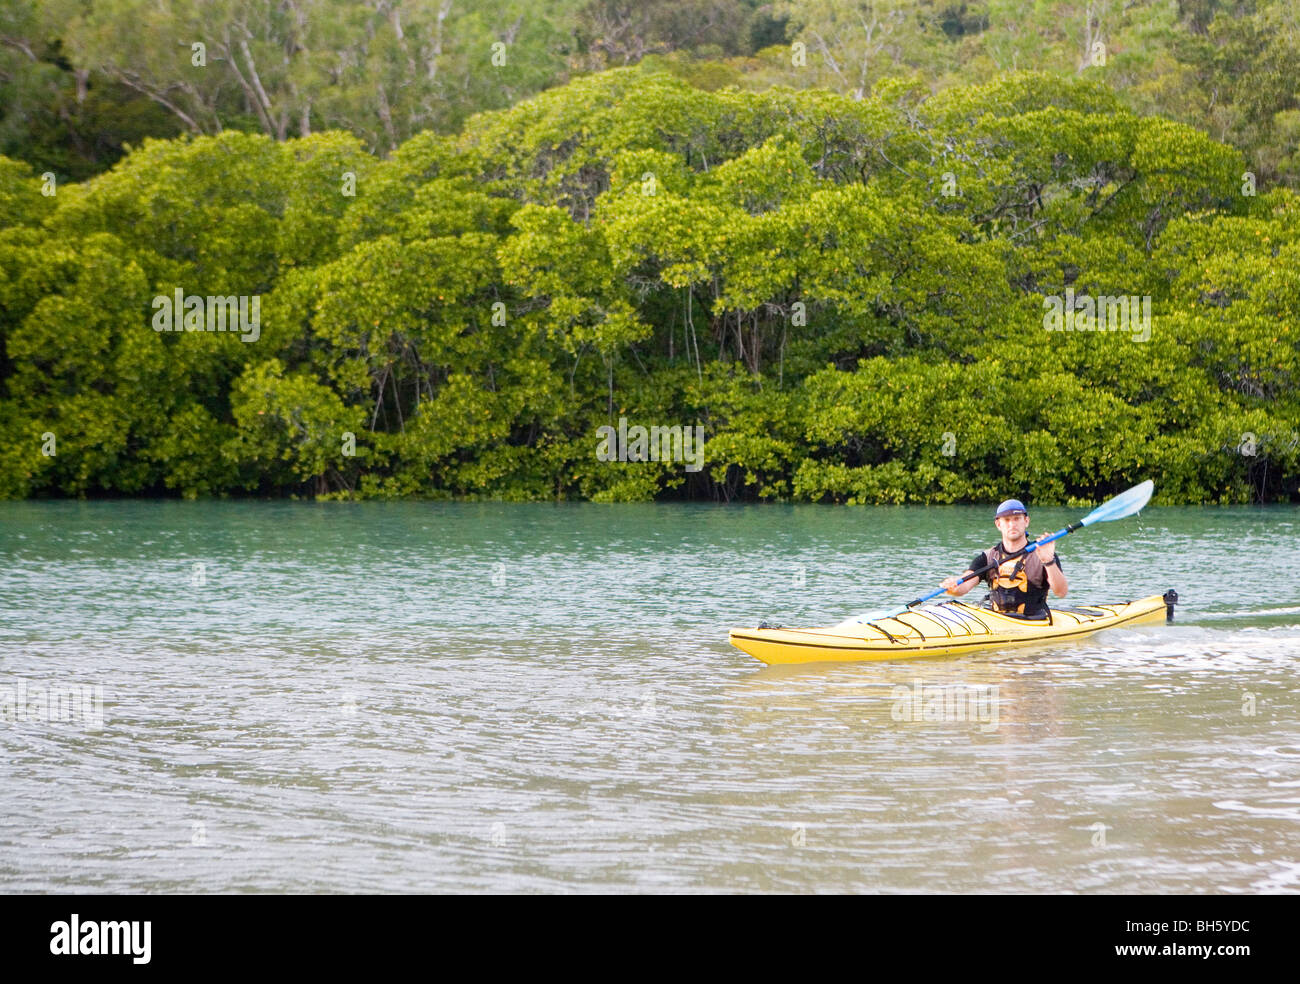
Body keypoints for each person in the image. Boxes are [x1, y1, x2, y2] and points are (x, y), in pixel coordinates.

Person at [939, 498, 1067, 617]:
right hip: (998, 621)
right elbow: (964, 586)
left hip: (1033, 622)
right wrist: (953, 587)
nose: (1012, 524)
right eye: (1006, 520)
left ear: (1026, 521)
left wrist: (1048, 562)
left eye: (1017, 519)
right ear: (998, 524)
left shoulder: (1043, 553)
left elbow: (1061, 592)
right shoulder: (988, 557)